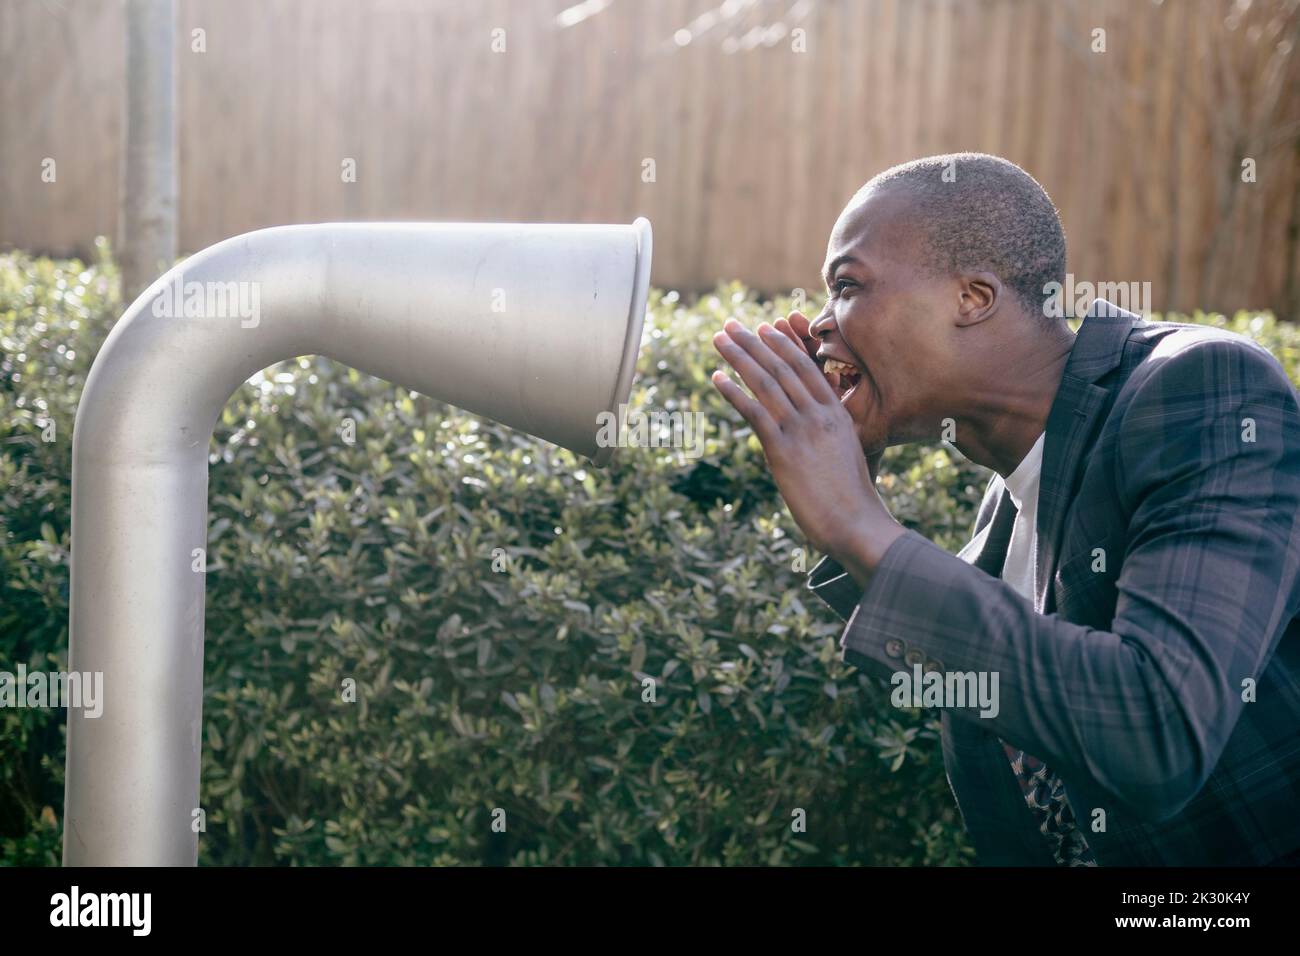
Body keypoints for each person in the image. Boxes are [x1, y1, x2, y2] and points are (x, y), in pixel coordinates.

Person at [711, 152, 1300, 866]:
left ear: (974, 298)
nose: (820, 326)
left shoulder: (1202, 389)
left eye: (848, 285)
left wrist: (863, 527)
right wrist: (850, 519)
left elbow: (1159, 730)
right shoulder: (1006, 510)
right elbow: (1006, 691)